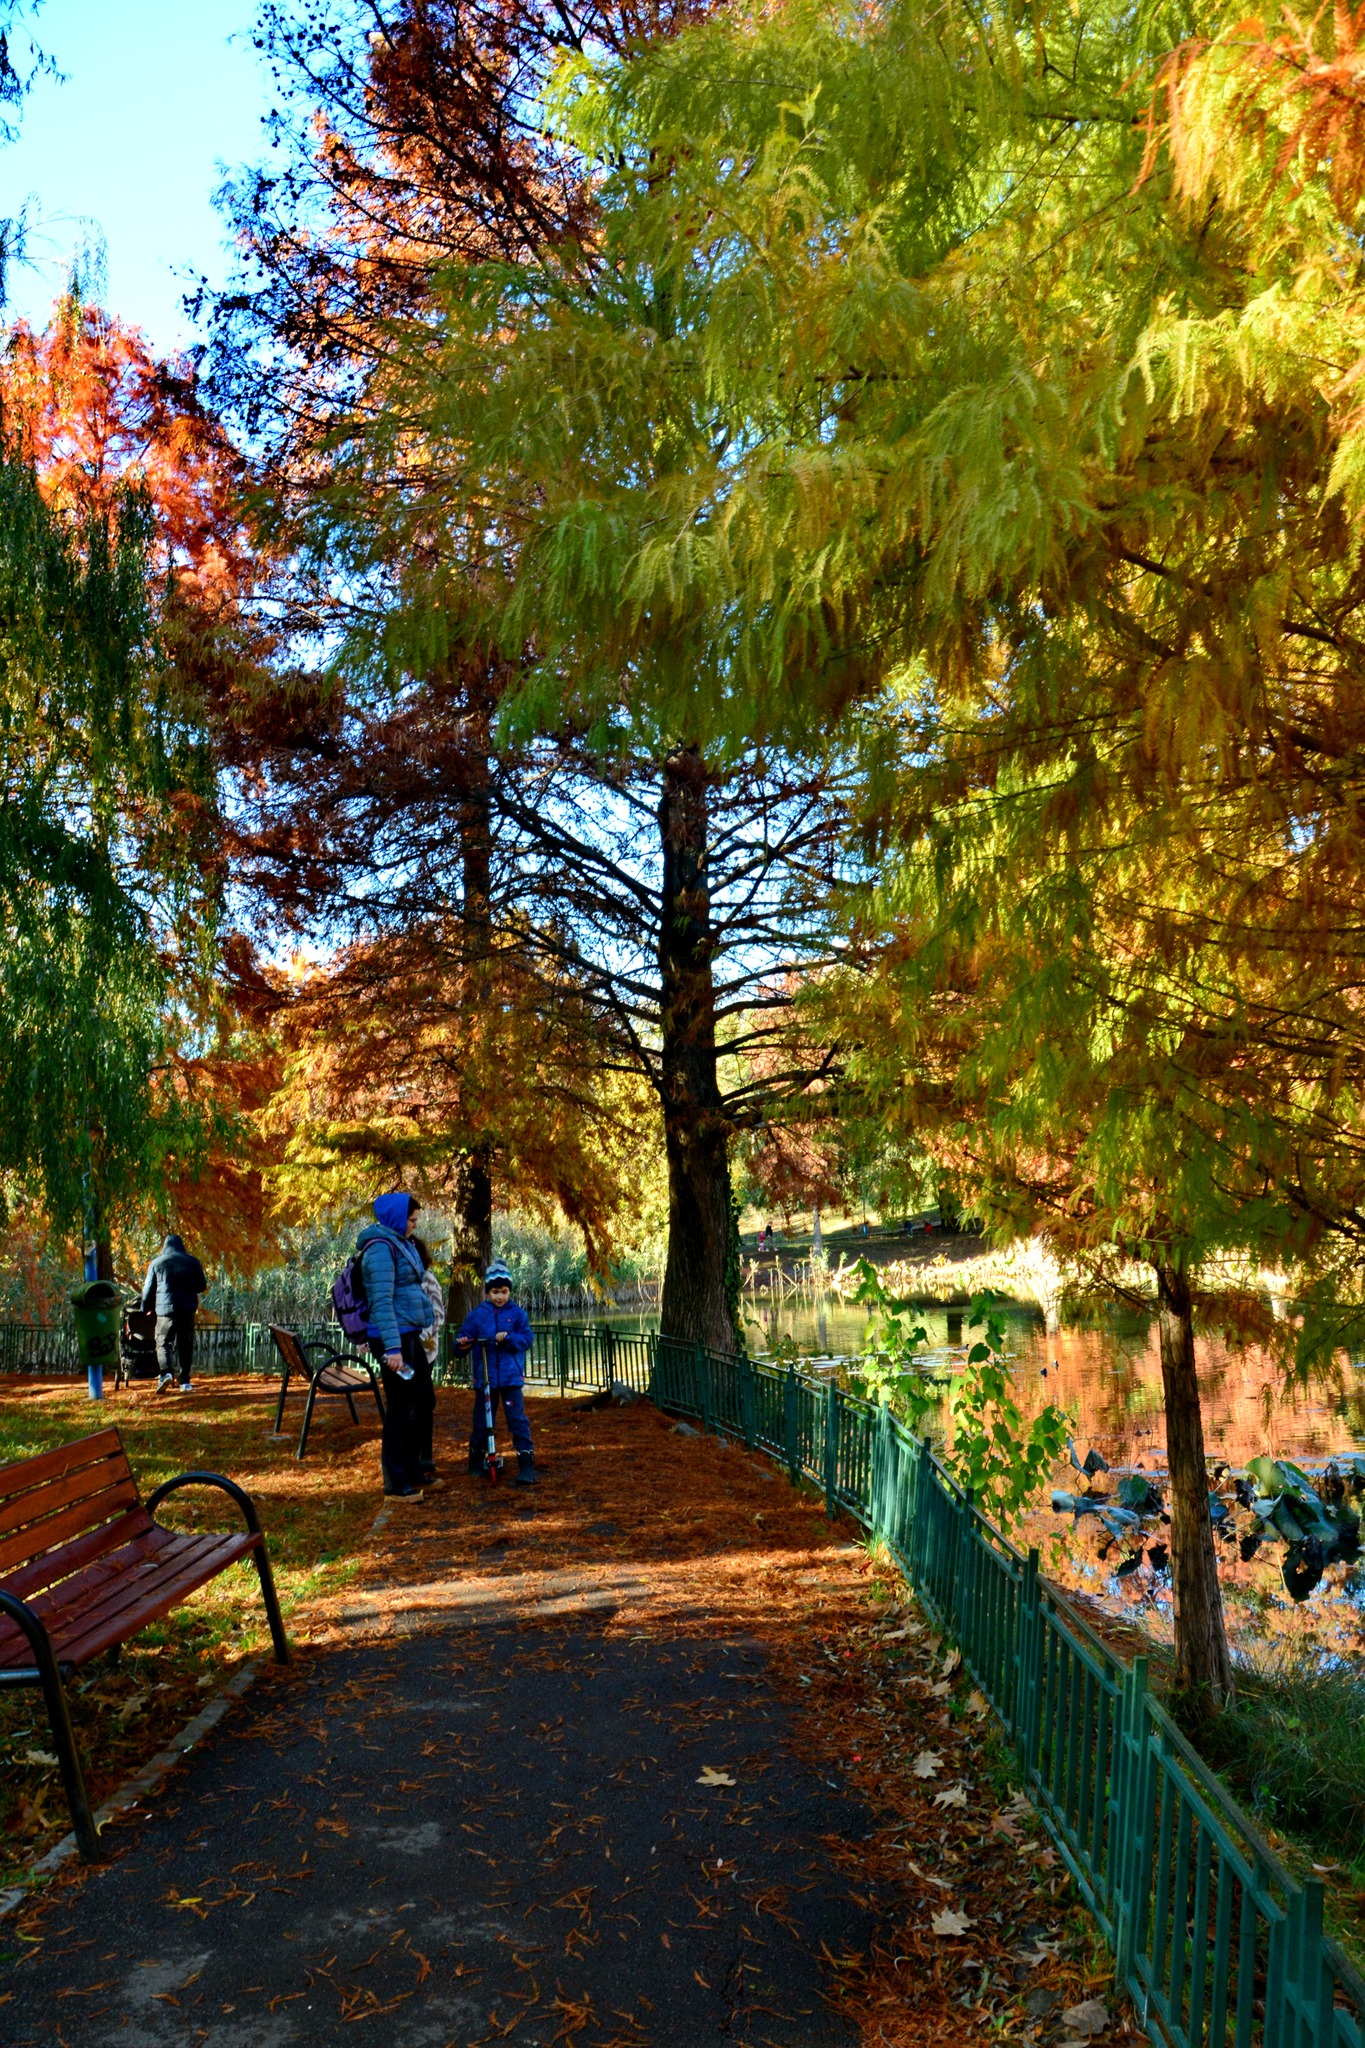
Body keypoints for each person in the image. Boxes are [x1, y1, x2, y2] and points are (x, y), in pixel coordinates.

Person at [357, 1192, 435, 1499]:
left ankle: (414, 1468)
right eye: (411, 1219)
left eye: (416, 1220)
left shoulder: (401, 1243)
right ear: (395, 1217)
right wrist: (392, 1349)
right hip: (392, 1337)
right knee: (400, 1408)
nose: (414, 1225)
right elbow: (381, 1302)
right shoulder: (379, 1249)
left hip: (408, 1332)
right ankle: (395, 1482)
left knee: (423, 1399)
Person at [455, 1259, 536, 1485]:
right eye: (495, 1292)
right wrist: (461, 1343)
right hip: (486, 1379)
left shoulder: (517, 1314)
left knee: (517, 1420)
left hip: (510, 1378)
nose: (499, 1297)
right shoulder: (478, 1315)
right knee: (481, 1422)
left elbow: (527, 1338)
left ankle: (527, 1465)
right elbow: (463, 1338)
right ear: (487, 1292)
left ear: (509, 1291)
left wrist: (509, 1338)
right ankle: (476, 1462)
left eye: (504, 1291)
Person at [139, 1233, 208, 1393]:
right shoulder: (192, 1262)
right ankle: (184, 1382)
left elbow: (148, 1289)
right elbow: (201, 1286)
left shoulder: (156, 1264)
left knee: (163, 1342)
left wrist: (145, 1308)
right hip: (187, 1310)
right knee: (186, 1345)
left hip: (165, 1312)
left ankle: (166, 1373)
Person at [412, 1236, 447, 1485]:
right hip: (407, 1350)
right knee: (413, 1405)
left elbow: (437, 1316)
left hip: (424, 1351)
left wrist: (419, 1338)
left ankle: (425, 1456)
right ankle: (414, 1457)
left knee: (423, 1403)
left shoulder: (427, 1279)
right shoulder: (404, 1280)